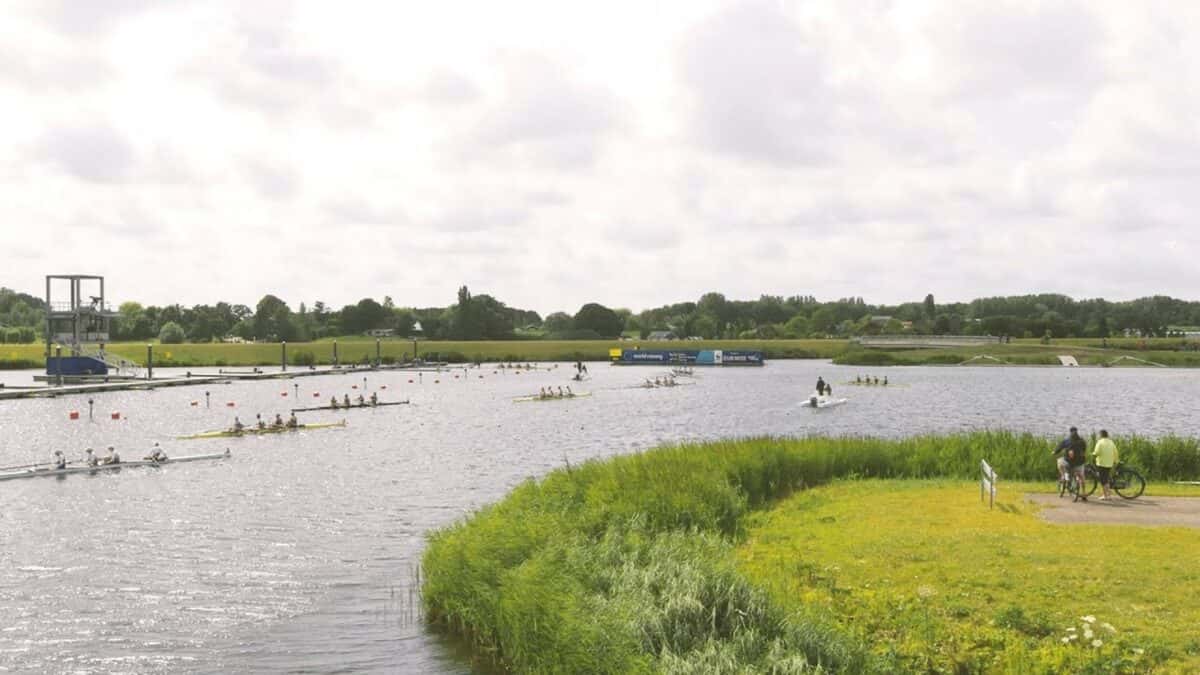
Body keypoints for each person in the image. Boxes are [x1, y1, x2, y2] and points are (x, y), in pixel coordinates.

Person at [1053, 426, 1088, 502]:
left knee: (1059, 461)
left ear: (1070, 432)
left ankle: (1063, 476)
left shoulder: (1067, 441)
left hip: (1069, 463)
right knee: (1082, 477)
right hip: (1080, 463)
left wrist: (1054, 452)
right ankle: (1084, 493)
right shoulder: (1082, 441)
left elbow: (1059, 448)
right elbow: (1084, 450)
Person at [1093, 429, 1119, 500]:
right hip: (1109, 463)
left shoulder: (1100, 442)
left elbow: (1097, 452)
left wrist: (1093, 454)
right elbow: (1115, 452)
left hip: (1101, 463)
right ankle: (1109, 495)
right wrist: (1116, 461)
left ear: (1101, 435)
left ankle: (1105, 495)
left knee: (1103, 480)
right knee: (1106, 479)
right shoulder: (1111, 442)